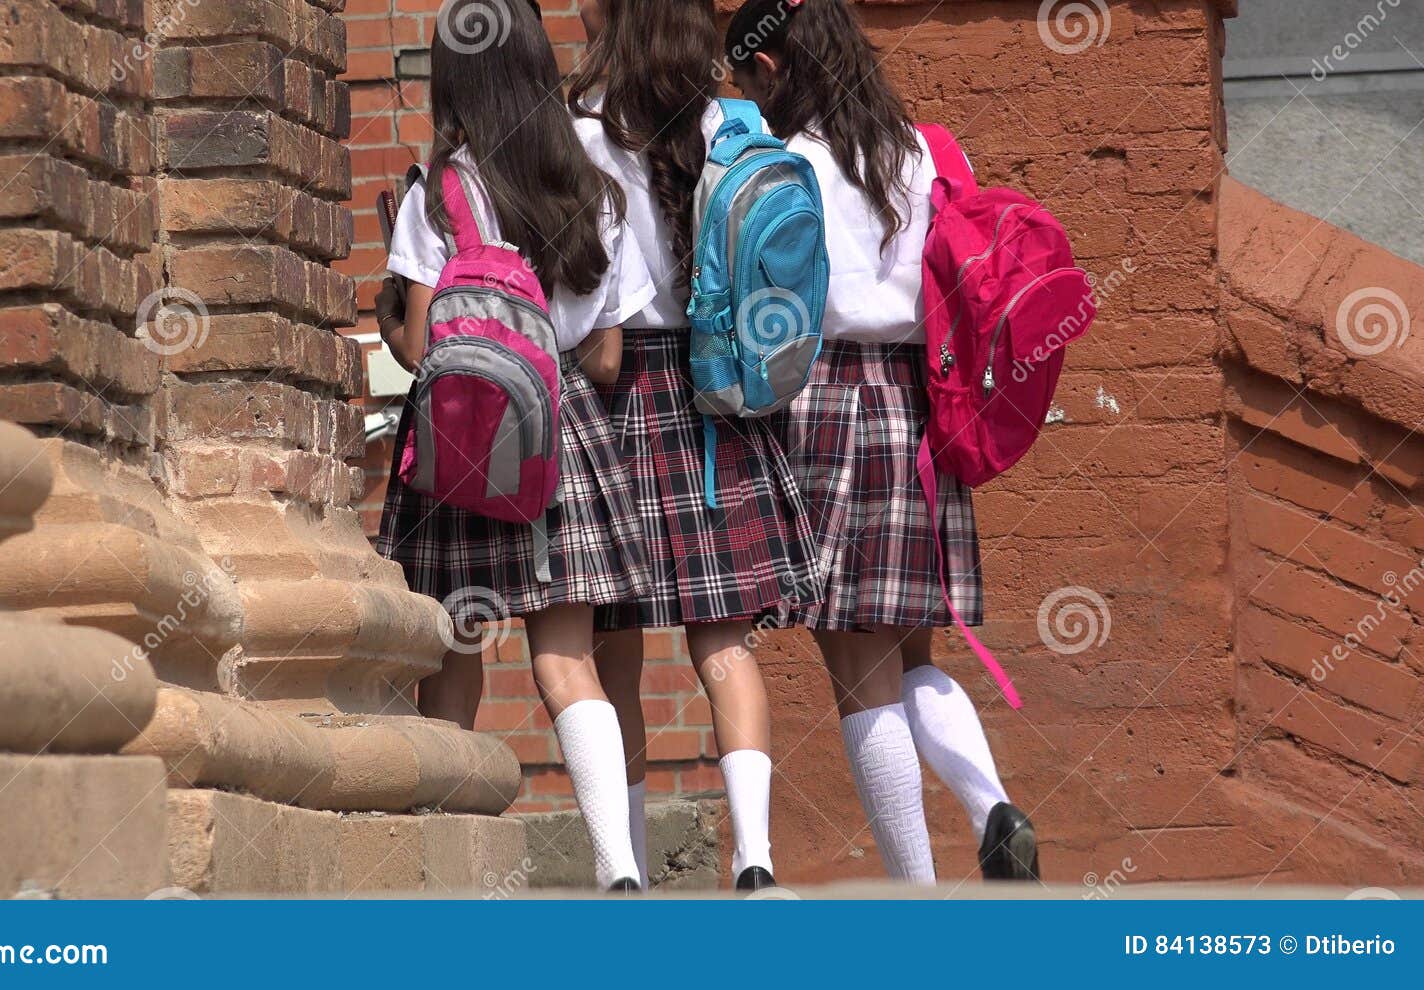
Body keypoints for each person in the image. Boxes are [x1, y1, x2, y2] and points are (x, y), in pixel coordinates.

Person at [723, 0, 1040, 883]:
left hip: (825, 407)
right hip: (920, 406)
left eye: (745, 77)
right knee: (915, 651)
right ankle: (993, 805)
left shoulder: (785, 163)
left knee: (857, 669)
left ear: (771, 67)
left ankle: (917, 895)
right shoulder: (924, 152)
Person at [374, 0, 657, 892]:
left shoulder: (439, 192)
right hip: (563, 433)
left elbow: (423, 348)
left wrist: (390, 322)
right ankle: (619, 870)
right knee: (567, 663)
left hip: (463, 434)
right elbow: (607, 359)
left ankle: (449, 873)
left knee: (454, 652)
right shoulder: (592, 186)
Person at [571, 0, 821, 893]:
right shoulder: (731, 123)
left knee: (614, 652)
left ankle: (626, 873)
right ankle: (756, 861)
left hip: (617, 391)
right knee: (726, 646)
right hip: (719, 388)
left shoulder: (587, 132)